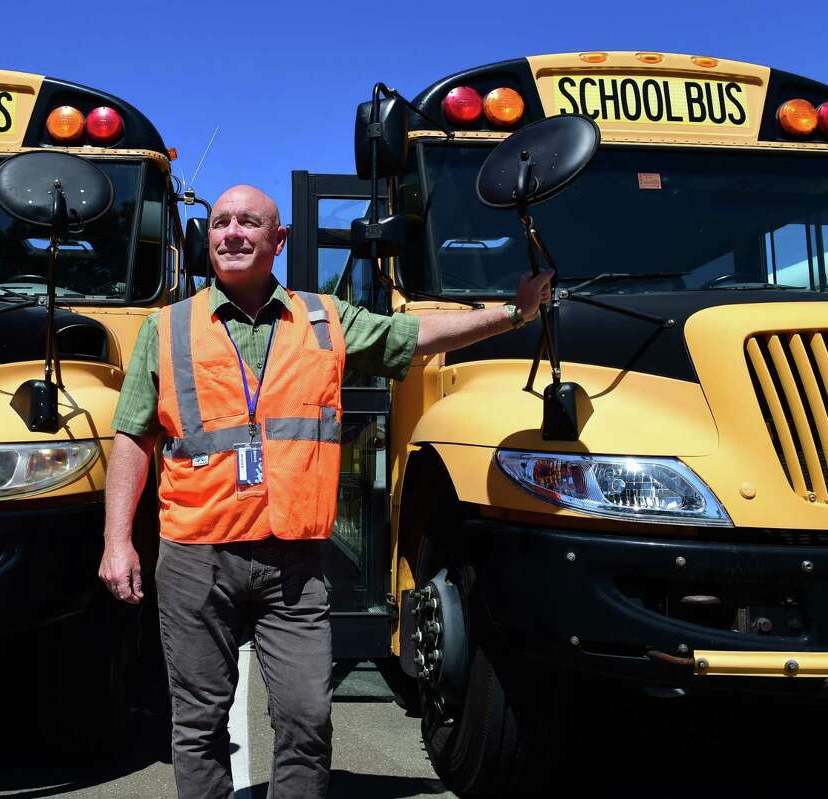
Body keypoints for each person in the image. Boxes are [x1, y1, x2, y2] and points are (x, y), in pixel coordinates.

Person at [99, 184, 552, 799]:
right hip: (196, 554)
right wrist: (118, 542)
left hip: (293, 561)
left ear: (277, 241)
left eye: (249, 223)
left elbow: (413, 336)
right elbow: (133, 436)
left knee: (306, 717)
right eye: (221, 223)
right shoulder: (167, 327)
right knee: (199, 721)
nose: (232, 232)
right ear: (208, 239)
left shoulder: (326, 319)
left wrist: (514, 313)